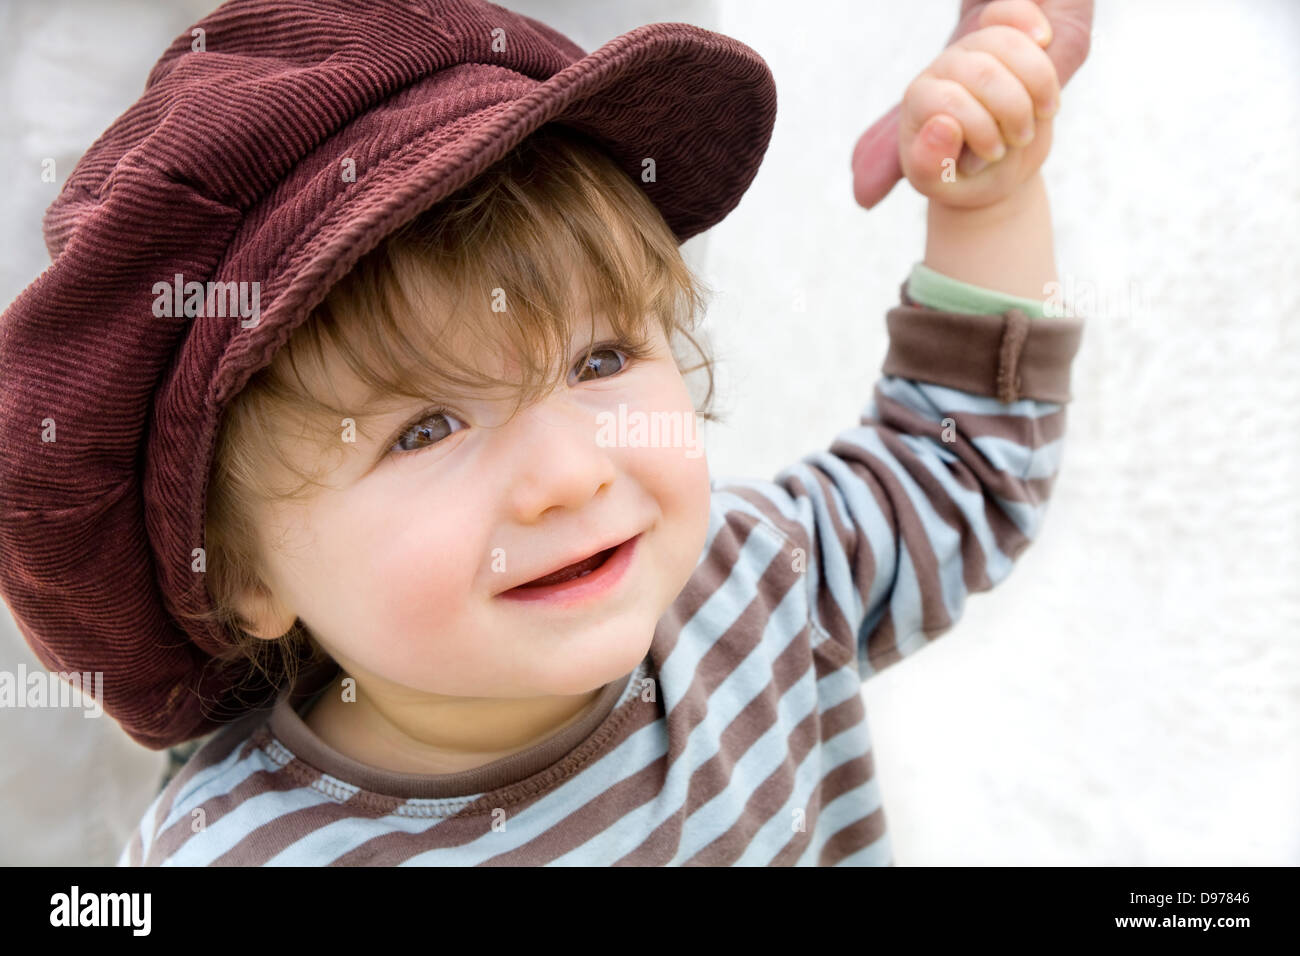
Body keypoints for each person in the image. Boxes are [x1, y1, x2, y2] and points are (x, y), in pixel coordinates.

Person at [0, 0, 1085, 865]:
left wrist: (985, 208)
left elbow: (965, 473)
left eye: (601, 361)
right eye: (423, 428)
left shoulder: (762, 581)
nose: (566, 476)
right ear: (238, 575)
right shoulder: (228, 848)